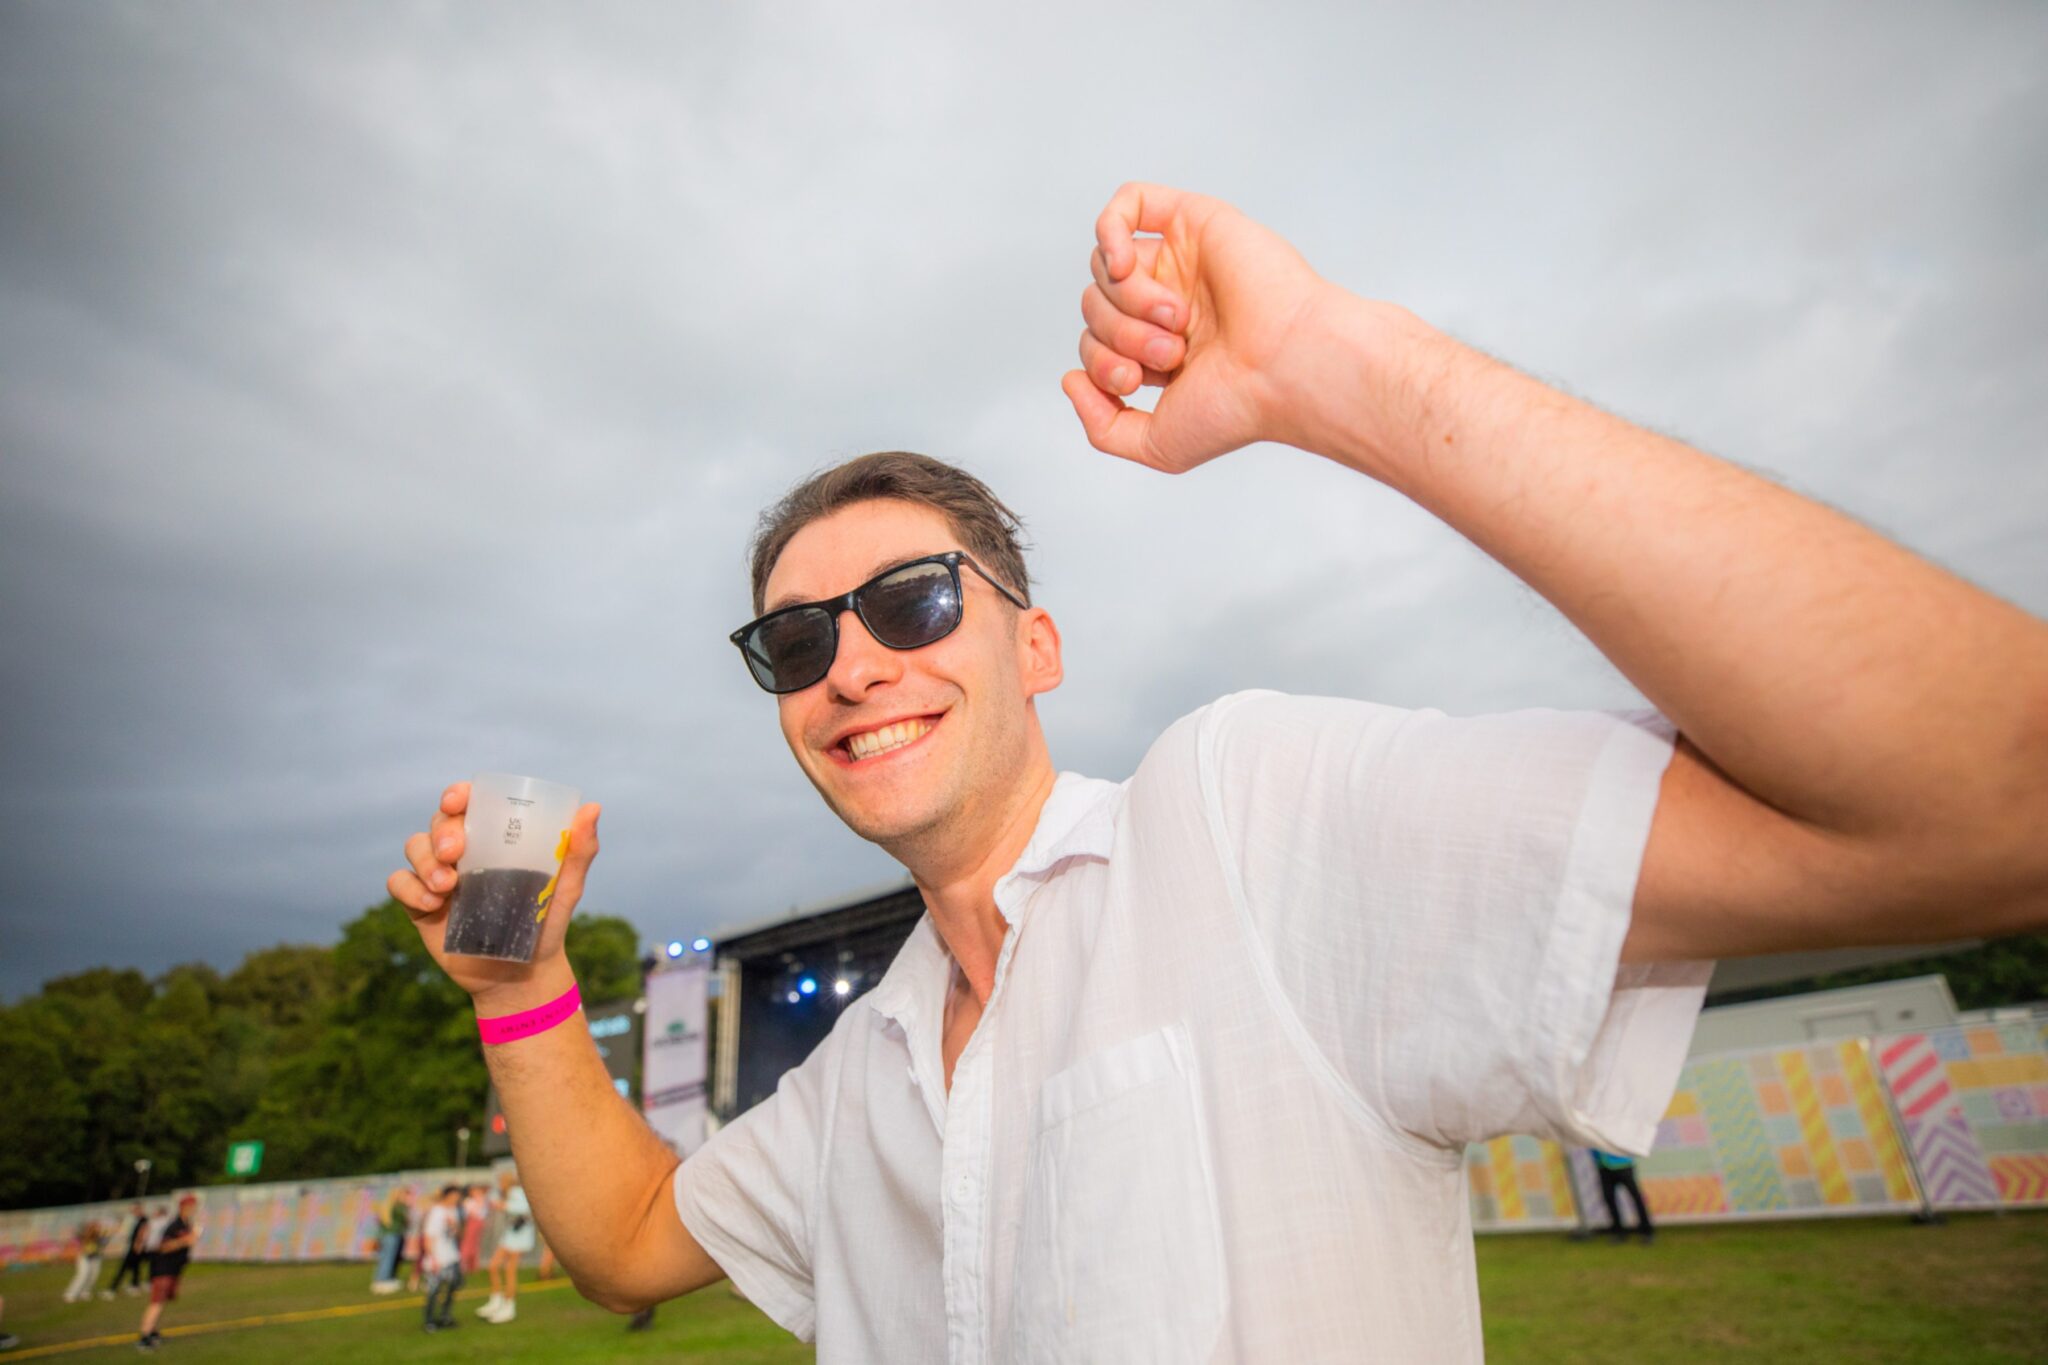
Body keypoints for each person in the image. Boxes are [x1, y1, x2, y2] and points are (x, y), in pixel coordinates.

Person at [389, 184, 2048, 1360]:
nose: (853, 664)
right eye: (794, 642)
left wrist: (1334, 368)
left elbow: (1990, 802)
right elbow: (621, 1244)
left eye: (908, 602)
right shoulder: (867, 1073)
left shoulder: (1245, 822)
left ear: (1036, 647)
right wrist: (519, 985)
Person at [135, 1193, 198, 1352]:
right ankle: (144, 1337)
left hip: (173, 1269)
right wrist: (185, 1241)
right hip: (163, 1269)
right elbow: (163, 1246)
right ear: (185, 1207)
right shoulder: (175, 1225)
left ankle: (153, 1332)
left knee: (161, 1302)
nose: (195, 1209)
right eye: (192, 1206)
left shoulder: (186, 1224)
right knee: (156, 1302)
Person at [476, 1168, 534, 1324]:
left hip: (519, 1236)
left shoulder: (516, 1191)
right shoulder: (509, 1192)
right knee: (494, 1266)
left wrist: (503, 1205)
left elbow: (524, 1208)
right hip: (511, 1235)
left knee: (509, 1270)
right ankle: (497, 1299)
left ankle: (509, 1306)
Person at [418, 1185, 463, 1332]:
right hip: (438, 1257)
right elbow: (428, 1237)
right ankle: (429, 1321)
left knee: (453, 1285)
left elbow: (457, 1234)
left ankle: (445, 1316)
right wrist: (433, 1259)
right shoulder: (437, 1212)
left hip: (451, 1256)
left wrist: (454, 1226)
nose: (457, 1199)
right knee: (434, 1290)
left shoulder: (454, 1211)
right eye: (455, 1196)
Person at [1591, 1150, 1656, 1243]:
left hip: (1623, 1164)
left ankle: (1647, 1231)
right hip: (1603, 1166)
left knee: (1636, 1198)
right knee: (1609, 1199)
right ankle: (1618, 1232)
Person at [370, 1187, 409, 1293]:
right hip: (393, 1235)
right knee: (389, 1258)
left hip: (384, 1235)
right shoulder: (398, 1206)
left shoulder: (386, 1205)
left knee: (384, 1258)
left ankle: (379, 1280)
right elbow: (406, 1220)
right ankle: (384, 1280)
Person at [106, 1202, 149, 1297]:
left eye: (135, 1210)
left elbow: (143, 1234)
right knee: (135, 1268)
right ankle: (134, 1286)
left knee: (124, 1268)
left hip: (135, 1248)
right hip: (133, 1247)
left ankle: (112, 1289)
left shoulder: (143, 1220)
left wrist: (138, 1244)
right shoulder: (136, 1220)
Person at [61, 1218, 106, 1303]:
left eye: (98, 1227)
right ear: (91, 1228)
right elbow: (79, 1242)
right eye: (96, 1227)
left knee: (93, 1276)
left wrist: (101, 1240)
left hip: (95, 1258)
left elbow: (101, 1246)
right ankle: (70, 1294)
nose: (99, 1228)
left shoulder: (100, 1236)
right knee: (83, 1275)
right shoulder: (84, 1235)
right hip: (84, 1258)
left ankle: (85, 1292)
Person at [458, 1184, 488, 1278]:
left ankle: (473, 1266)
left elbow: (483, 1211)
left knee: (475, 1245)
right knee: (467, 1244)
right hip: (471, 1222)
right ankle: (463, 1265)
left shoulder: (480, 1200)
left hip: (478, 1222)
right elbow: (472, 1212)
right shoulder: (468, 1201)